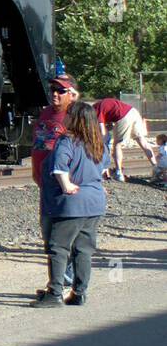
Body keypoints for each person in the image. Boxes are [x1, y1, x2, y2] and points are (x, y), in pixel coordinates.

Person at [35, 102, 108, 307]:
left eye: (69, 114)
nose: (65, 117)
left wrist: (66, 185)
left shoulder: (67, 141)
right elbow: (102, 168)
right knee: (83, 249)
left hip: (72, 204)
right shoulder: (98, 142)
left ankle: (55, 293)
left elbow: (60, 166)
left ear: (74, 119)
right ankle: (79, 293)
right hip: (94, 203)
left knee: (58, 247)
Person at [33, 74, 79, 297]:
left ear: (72, 94)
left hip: (64, 186)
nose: (54, 93)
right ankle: (57, 283)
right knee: (49, 237)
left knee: (62, 240)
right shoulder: (46, 113)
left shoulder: (75, 116)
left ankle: (65, 284)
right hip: (45, 185)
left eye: (60, 90)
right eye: (52, 89)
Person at [93, 97, 155, 181]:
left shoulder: (95, 111)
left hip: (123, 116)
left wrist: (102, 145)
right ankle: (156, 167)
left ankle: (119, 173)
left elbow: (102, 131)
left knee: (117, 144)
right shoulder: (104, 105)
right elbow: (109, 124)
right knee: (142, 140)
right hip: (133, 112)